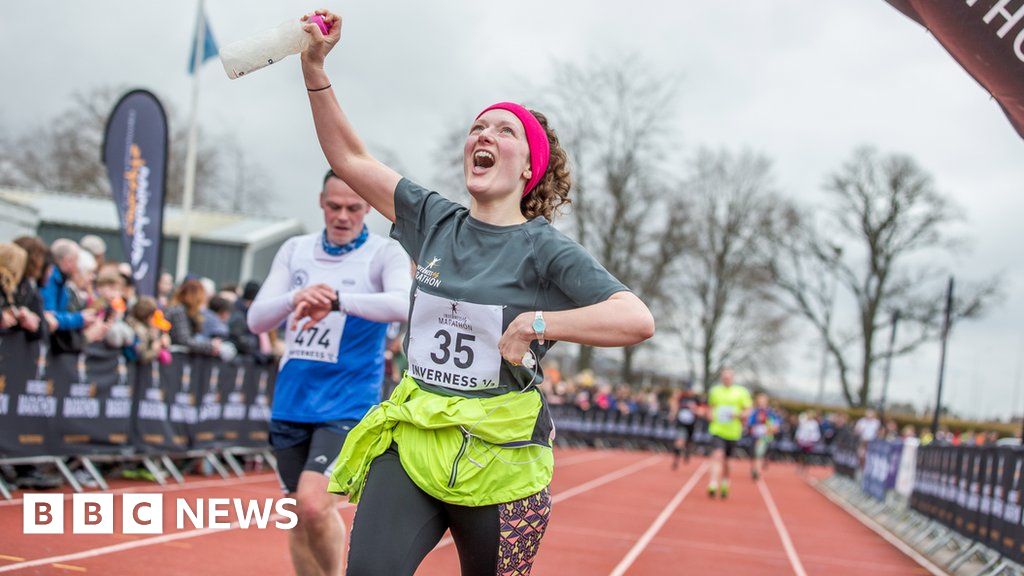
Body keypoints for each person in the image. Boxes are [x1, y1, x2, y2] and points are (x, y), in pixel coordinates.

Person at [293, 11, 656, 575]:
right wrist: (315, 68)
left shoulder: (546, 250)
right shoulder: (434, 219)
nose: (483, 136)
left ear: (530, 165)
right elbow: (350, 159)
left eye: (503, 131)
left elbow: (635, 319)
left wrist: (538, 323)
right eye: (477, 129)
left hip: (501, 458)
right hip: (415, 436)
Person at [247, 170, 412, 576]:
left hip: (347, 401)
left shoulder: (382, 253)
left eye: (353, 208)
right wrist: (295, 296)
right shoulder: (296, 250)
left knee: (313, 502)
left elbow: (404, 305)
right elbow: (256, 320)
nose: (342, 216)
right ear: (321, 201)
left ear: (369, 208)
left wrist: (338, 301)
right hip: (291, 400)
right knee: (298, 514)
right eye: (334, 206)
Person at [706, 369, 752, 499]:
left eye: (728, 377)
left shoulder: (741, 392)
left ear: (732, 378)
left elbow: (748, 410)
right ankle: (713, 483)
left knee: (727, 462)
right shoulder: (715, 391)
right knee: (717, 455)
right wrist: (709, 415)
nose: (726, 379)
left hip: (733, 432)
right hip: (717, 429)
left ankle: (725, 482)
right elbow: (711, 407)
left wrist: (738, 414)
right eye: (724, 377)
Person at [746, 392, 781, 480]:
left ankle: (757, 471)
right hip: (754, 436)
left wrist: (770, 430)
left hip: (765, 437)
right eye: (760, 400)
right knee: (754, 455)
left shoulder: (770, 413)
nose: (761, 402)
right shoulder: (754, 412)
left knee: (759, 453)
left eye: (763, 400)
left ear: (767, 402)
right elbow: (749, 424)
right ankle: (754, 468)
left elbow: (776, 426)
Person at [671, 388, 701, 469]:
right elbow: (675, 404)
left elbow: (701, 410)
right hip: (682, 423)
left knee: (689, 442)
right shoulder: (682, 398)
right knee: (680, 441)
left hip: (691, 424)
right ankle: (676, 460)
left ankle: (687, 453)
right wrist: (673, 414)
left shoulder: (696, 399)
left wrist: (695, 409)